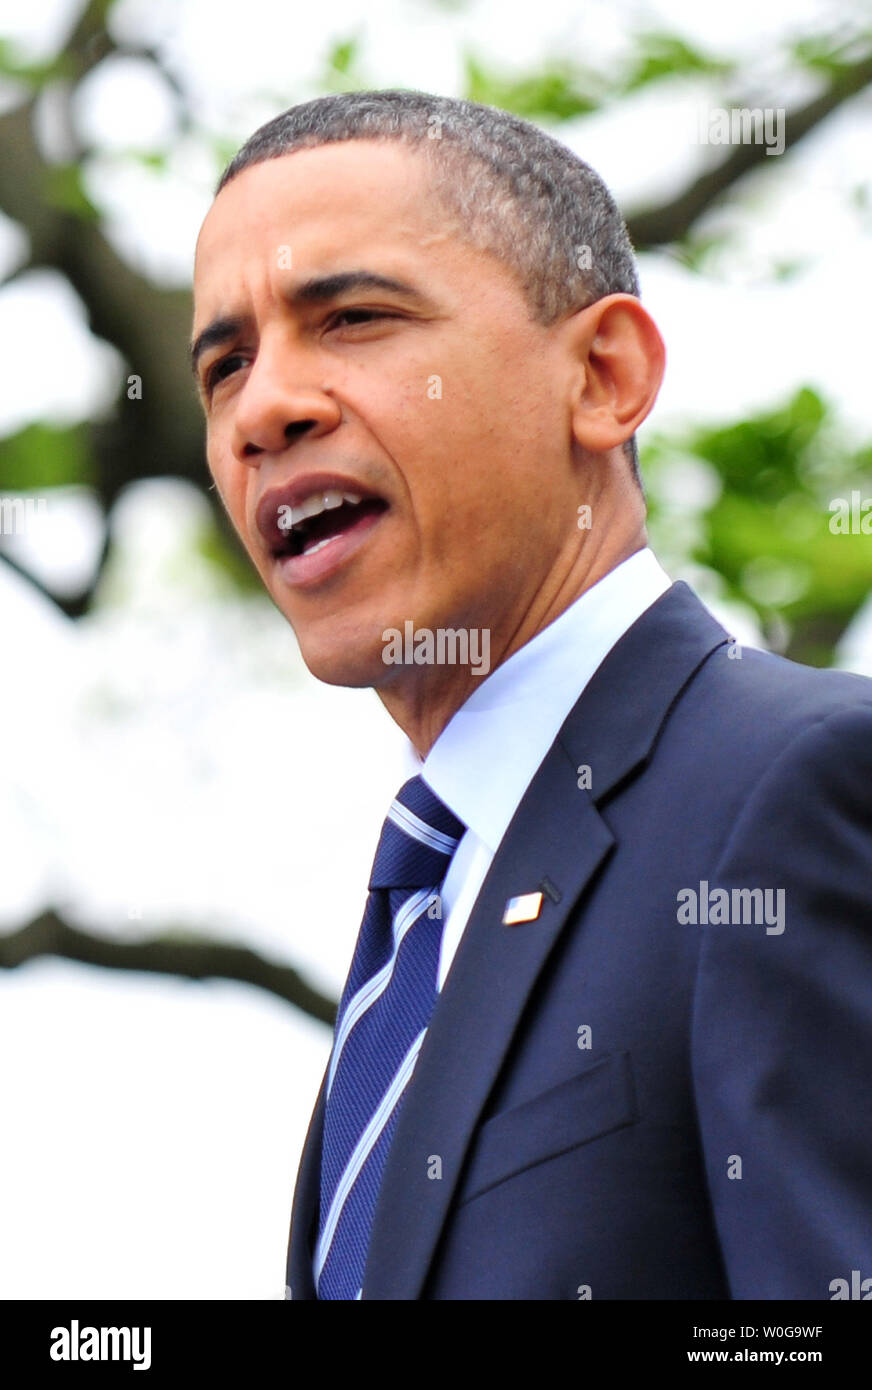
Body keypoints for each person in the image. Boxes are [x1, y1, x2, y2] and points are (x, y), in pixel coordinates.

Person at [191, 90, 872, 1300]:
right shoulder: (419, 920)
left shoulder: (794, 787)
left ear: (603, 375)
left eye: (350, 317)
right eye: (225, 365)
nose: (263, 411)